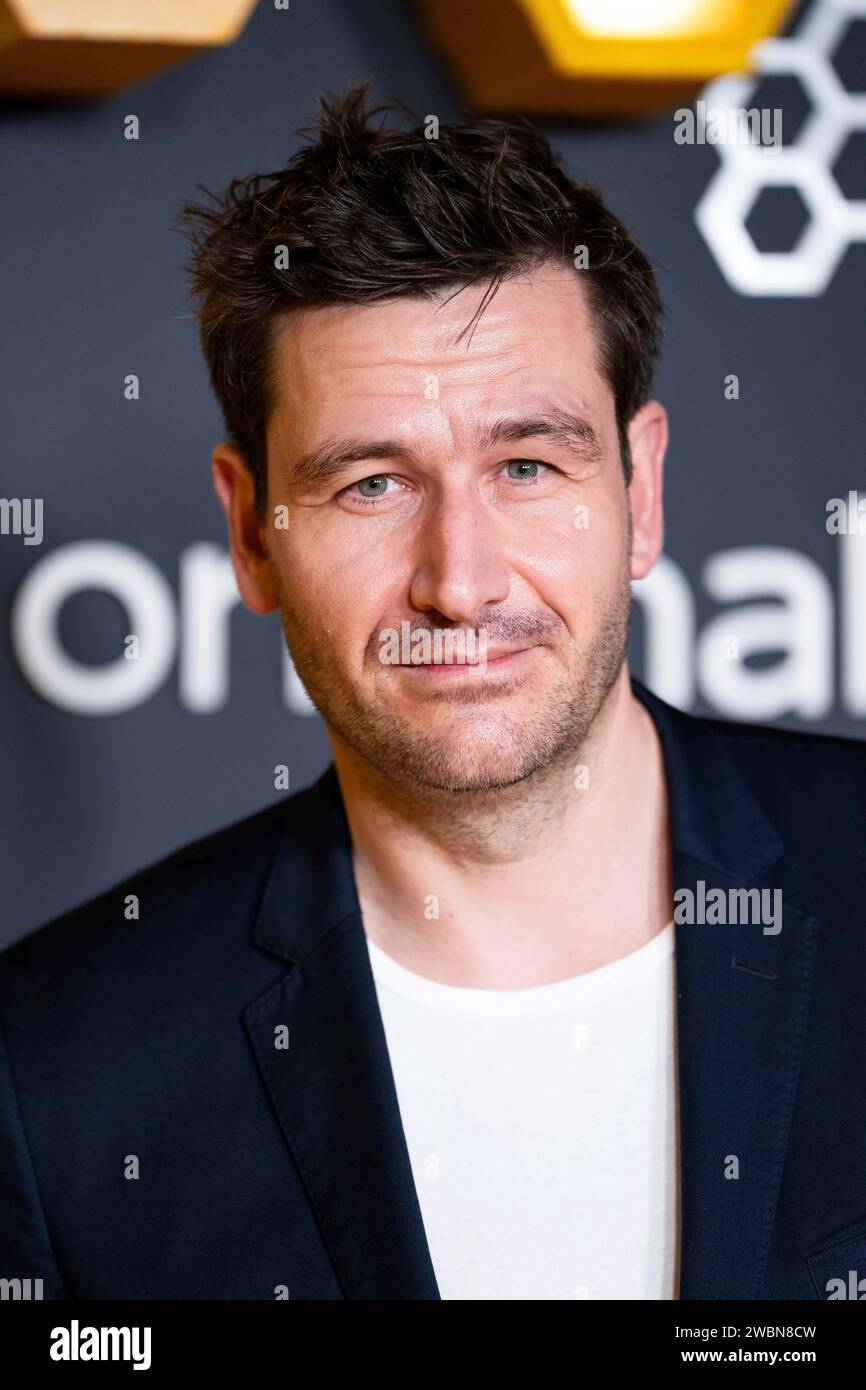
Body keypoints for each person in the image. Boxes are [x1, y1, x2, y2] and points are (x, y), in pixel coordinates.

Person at [1, 84, 864, 1302]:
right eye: (369, 485)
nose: (458, 583)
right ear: (251, 532)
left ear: (641, 488)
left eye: (524, 463)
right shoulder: (53, 1077)